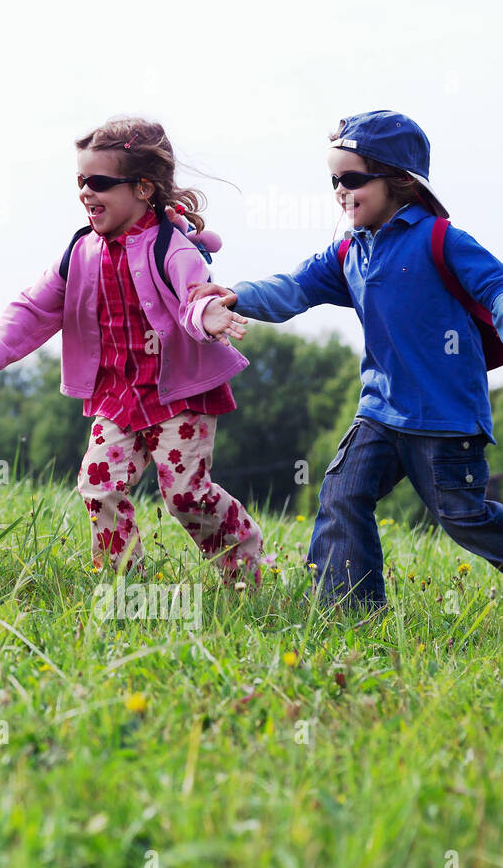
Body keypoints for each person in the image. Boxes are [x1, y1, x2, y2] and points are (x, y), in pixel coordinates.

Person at [189, 110, 503, 611]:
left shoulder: (443, 241)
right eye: (334, 179)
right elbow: (292, 289)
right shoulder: (348, 253)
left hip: (444, 416)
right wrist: (233, 295)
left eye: (353, 178)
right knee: (340, 493)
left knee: (462, 517)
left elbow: (496, 288)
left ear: (399, 181)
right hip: (379, 411)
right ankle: (348, 610)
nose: (339, 190)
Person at [0, 117, 268, 583]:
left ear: (142, 188)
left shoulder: (172, 249)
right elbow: (35, 307)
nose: (85, 193)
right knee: (98, 486)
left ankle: (243, 559)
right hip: (118, 396)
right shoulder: (80, 252)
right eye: (80, 182)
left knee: (185, 496)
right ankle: (124, 584)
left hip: (178, 395)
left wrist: (208, 315)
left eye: (98, 183)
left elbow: (195, 298)